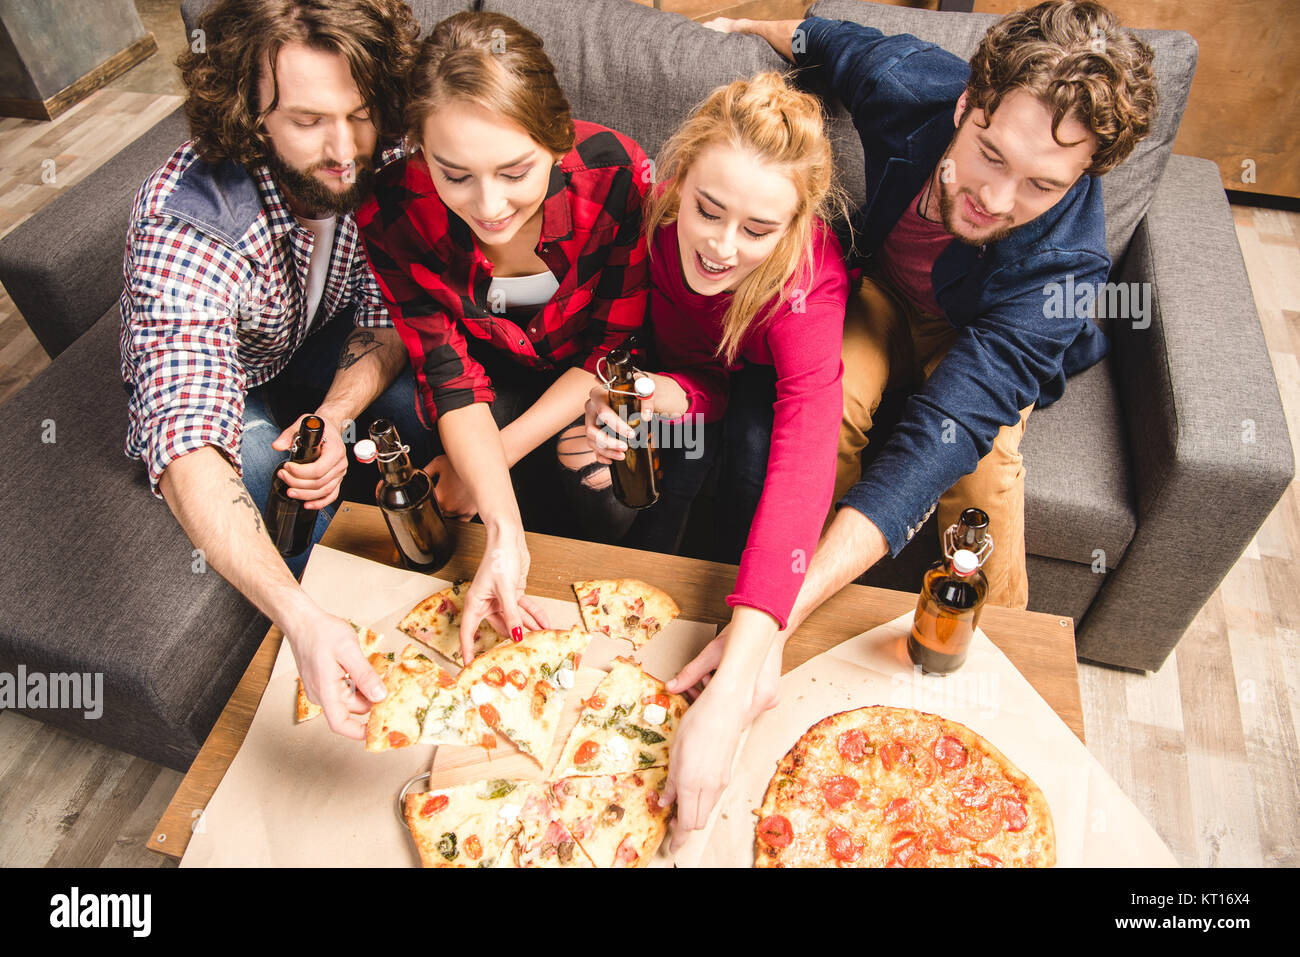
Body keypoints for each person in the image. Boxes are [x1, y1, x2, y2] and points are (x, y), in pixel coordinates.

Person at [661, 0, 1158, 842]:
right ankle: (790, 646)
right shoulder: (910, 82)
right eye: (988, 154)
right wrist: (744, 24)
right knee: (839, 410)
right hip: (885, 296)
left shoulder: (1063, 268)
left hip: (987, 338)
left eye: (1042, 184)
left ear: (1084, 178)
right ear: (966, 102)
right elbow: (823, 37)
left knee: (984, 486)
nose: (996, 197)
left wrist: (761, 625)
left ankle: (990, 691)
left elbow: (941, 436)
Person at [120, 0, 429, 740]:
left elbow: (390, 312)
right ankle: (313, 626)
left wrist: (335, 416)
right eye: (306, 120)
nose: (345, 148)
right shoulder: (184, 221)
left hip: (317, 339)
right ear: (249, 114)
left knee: (424, 398)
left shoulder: (385, 148)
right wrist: (302, 618)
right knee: (265, 464)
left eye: (358, 114)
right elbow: (186, 437)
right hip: (235, 375)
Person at [581, 73, 849, 845]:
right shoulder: (643, 213)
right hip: (689, 387)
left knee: (755, 455)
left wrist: (734, 691)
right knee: (662, 480)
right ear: (679, 178)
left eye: (759, 229)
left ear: (795, 228)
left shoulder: (809, 286)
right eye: (706, 209)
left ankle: (730, 619)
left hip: (759, 405)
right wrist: (636, 392)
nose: (721, 246)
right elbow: (610, 330)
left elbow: (805, 460)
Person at [356, 12, 651, 662]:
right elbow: (448, 373)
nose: (488, 206)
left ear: (555, 137)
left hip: (595, 379)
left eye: (515, 172)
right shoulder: (391, 209)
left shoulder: (618, 175)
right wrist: (503, 527)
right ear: (419, 151)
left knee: (606, 493)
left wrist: (492, 460)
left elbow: (612, 349)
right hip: (496, 376)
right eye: (454, 174)